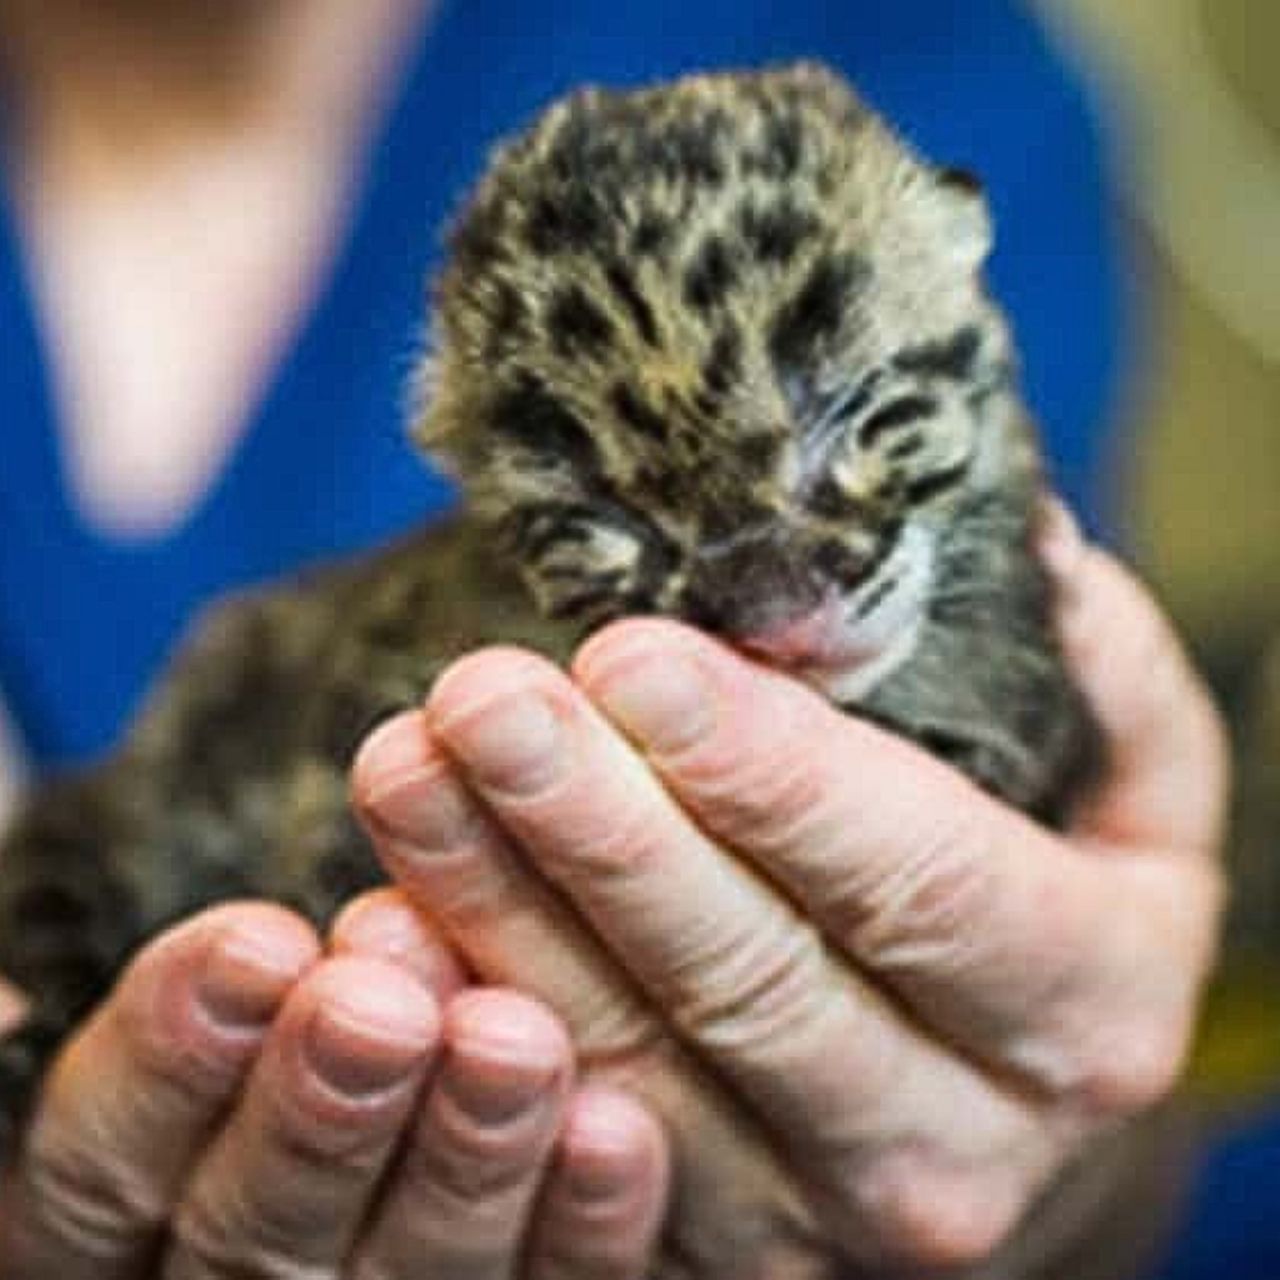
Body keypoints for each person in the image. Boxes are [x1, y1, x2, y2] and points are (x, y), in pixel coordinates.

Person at [0, 0, 1227, 1275]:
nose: (779, 617)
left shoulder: (936, 58)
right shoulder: (387, 675)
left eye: (858, 431)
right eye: (615, 517)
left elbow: (1096, 1048)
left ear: (955, 251)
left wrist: (1059, 1160)